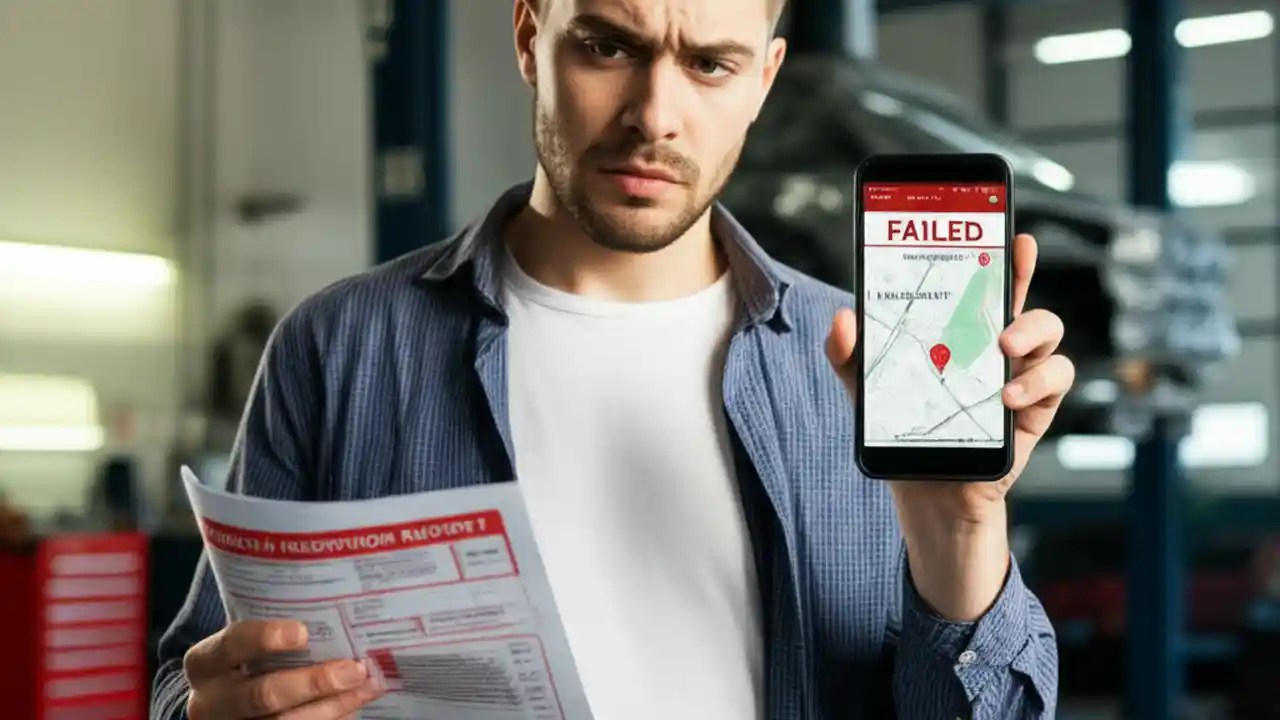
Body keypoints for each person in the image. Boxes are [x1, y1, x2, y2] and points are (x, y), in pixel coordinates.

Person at [152, 0, 1074, 718]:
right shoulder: (343, 346)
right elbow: (194, 676)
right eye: (606, 47)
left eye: (711, 65)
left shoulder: (862, 371)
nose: (653, 117)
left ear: (764, 81)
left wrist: (961, 533)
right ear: (528, 35)